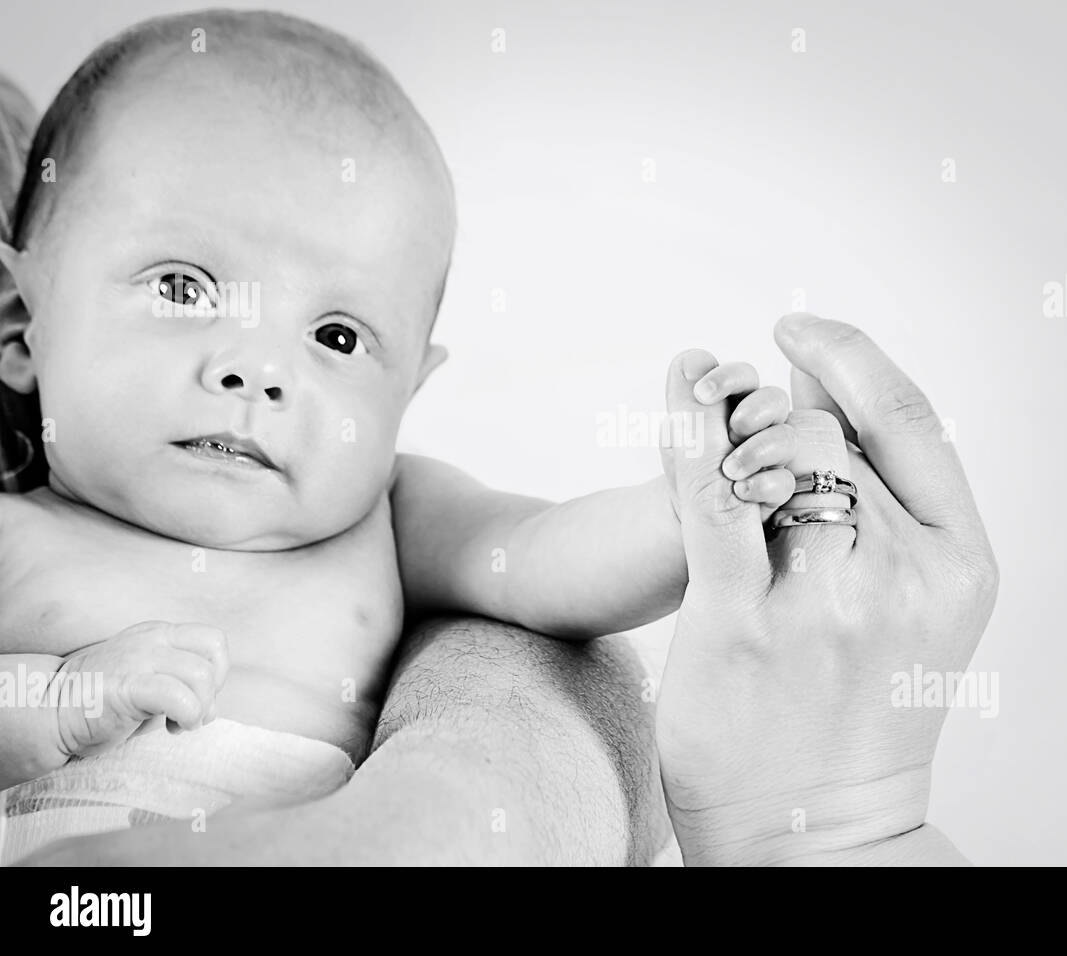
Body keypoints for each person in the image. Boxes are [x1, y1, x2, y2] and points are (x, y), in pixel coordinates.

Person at [0, 9, 797, 863]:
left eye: (336, 338)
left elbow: (540, 556)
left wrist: (696, 509)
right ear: (19, 327)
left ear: (408, 391)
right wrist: (54, 699)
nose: (256, 369)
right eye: (184, 288)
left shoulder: (390, 514)